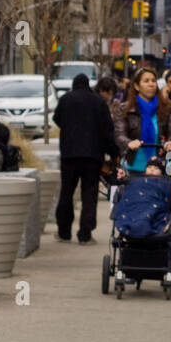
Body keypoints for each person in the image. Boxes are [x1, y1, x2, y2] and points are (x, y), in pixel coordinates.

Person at [53, 72, 117, 244]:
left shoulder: (66, 99)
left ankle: (64, 231)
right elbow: (107, 130)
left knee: (66, 192)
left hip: (69, 154)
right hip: (92, 155)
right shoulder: (98, 102)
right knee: (89, 194)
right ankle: (85, 234)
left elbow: (56, 118)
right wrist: (113, 152)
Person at [114, 66, 171, 176]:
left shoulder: (168, 107)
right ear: (136, 86)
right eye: (146, 81)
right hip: (133, 166)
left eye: (153, 81)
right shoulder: (124, 109)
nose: (151, 84)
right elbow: (119, 134)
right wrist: (129, 143)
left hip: (162, 166)